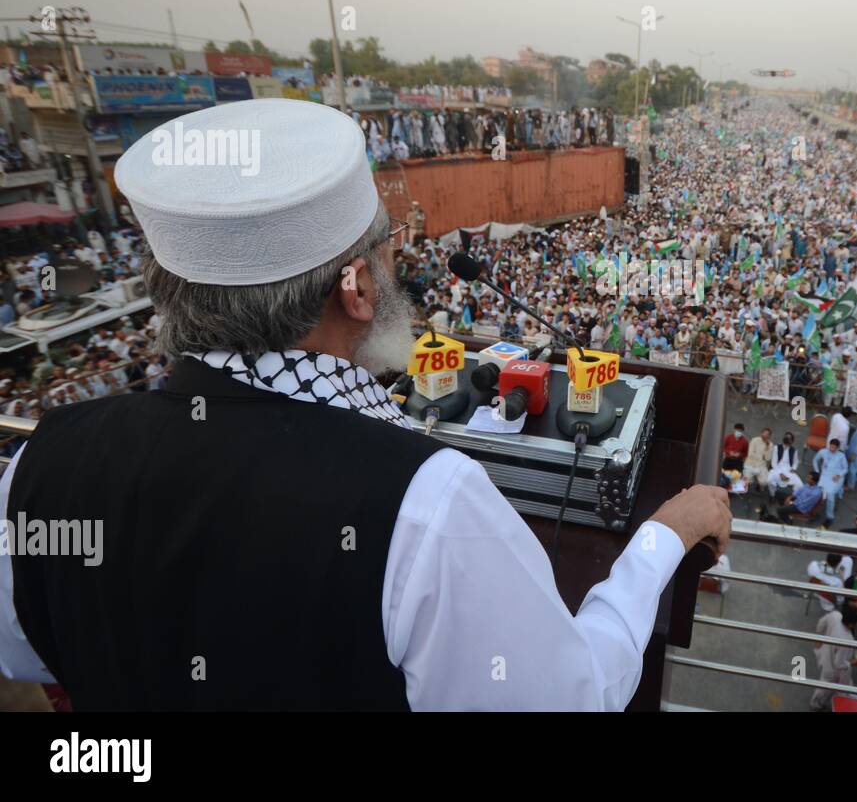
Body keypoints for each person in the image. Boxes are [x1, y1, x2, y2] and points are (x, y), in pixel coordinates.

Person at [0, 100, 732, 711]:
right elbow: (578, 697)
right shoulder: (427, 507)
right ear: (356, 289)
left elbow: (20, 645)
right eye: (385, 250)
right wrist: (663, 537)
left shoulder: (40, 462)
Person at [809, 606, 857, 711]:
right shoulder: (846, 640)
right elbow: (839, 664)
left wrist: (818, 642)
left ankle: (820, 702)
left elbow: (821, 622)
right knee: (824, 687)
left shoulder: (835, 616)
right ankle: (816, 704)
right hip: (832, 669)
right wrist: (853, 662)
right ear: (851, 624)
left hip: (824, 653)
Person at [812, 437, 849, 524]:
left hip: (836, 477)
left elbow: (846, 468)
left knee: (830, 495)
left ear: (837, 448)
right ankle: (814, 512)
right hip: (824, 476)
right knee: (818, 492)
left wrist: (839, 475)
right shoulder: (823, 451)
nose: (832, 449)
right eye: (831, 446)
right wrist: (817, 471)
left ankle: (830, 516)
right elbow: (815, 460)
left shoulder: (841, 456)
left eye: (834, 447)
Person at [743, 427, 772, 492]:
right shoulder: (754, 440)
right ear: (761, 433)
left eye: (767, 434)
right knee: (746, 481)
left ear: (769, 436)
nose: (765, 435)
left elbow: (768, 458)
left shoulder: (770, 444)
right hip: (750, 463)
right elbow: (750, 454)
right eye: (764, 433)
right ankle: (747, 486)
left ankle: (759, 485)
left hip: (761, 465)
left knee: (765, 482)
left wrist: (767, 448)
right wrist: (762, 456)